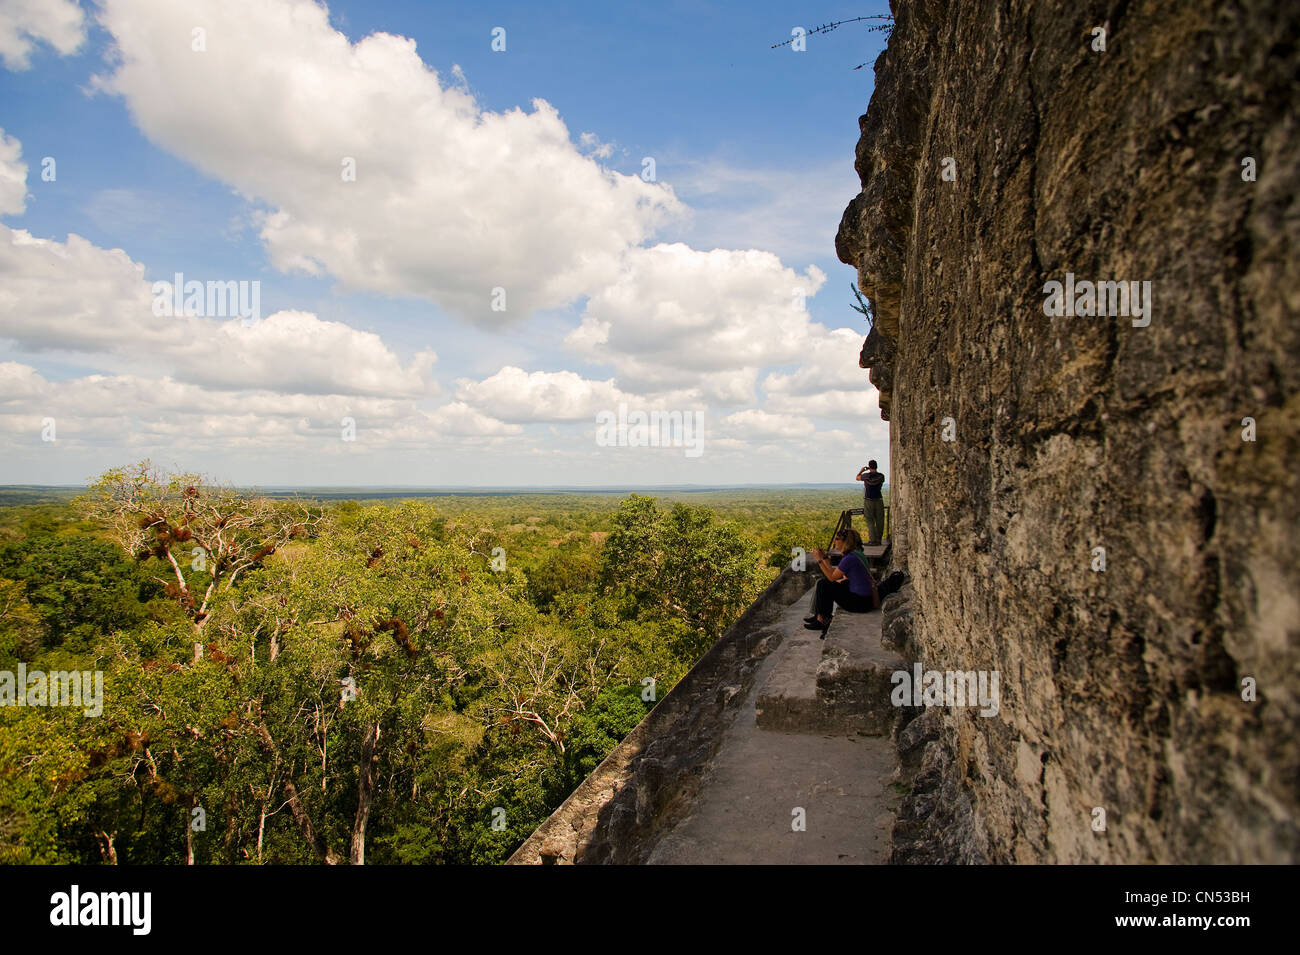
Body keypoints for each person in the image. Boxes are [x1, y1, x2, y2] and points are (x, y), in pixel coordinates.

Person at [804, 528, 877, 636]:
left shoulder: (849, 558)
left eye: (838, 539)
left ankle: (823, 619)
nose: (835, 541)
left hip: (859, 602)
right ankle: (820, 616)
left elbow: (831, 577)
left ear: (846, 542)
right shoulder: (856, 554)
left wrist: (819, 560)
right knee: (825, 583)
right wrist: (824, 557)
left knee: (824, 584)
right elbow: (836, 573)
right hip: (865, 600)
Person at [856, 460, 886, 545]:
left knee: (870, 520)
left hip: (868, 500)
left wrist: (862, 470)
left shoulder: (866, 476)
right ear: (876, 466)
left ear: (869, 467)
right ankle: (878, 540)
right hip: (879, 499)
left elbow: (857, 477)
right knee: (880, 520)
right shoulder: (881, 476)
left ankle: (872, 540)